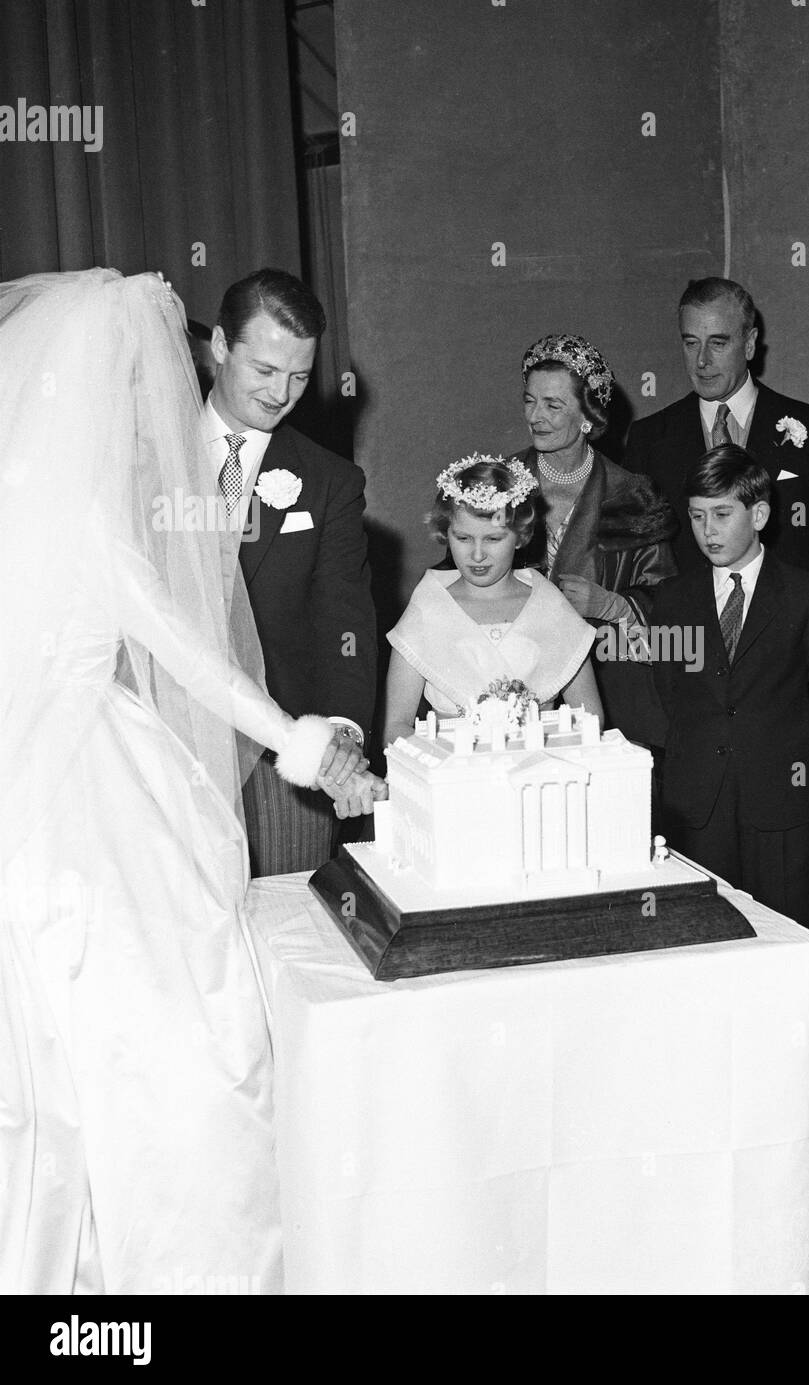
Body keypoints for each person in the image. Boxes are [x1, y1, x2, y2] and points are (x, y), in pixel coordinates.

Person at [0, 268, 385, 1294]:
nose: (153, 406)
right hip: (92, 784)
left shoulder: (27, 497)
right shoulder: (89, 516)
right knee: (175, 1042)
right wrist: (298, 743)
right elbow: (188, 651)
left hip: (42, 773)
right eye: (141, 386)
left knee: (76, 1056)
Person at [203, 268, 378, 875]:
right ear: (222, 347)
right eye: (266, 371)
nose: (281, 395)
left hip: (286, 761)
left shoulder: (330, 480)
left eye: (300, 377)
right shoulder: (143, 456)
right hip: (161, 750)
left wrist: (342, 736)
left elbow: (344, 621)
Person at [650, 445, 809, 928]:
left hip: (782, 802)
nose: (708, 530)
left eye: (722, 514)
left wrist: (788, 754)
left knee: (783, 935)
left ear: (759, 513)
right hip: (697, 805)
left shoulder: (808, 595)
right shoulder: (673, 599)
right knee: (705, 938)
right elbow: (669, 692)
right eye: (697, 516)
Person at [624, 276, 809, 642]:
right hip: (688, 654)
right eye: (691, 343)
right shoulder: (648, 440)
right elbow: (637, 570)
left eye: (718, 343)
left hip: (785, 655)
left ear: (749, 344)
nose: (702, 361)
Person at [509, 333, 676, 744]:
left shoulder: (631, 493)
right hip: (512, 689)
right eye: (530, 400)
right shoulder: (502, 480)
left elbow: (670, 600)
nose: (535, 416)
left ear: (588, 415)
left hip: (611, 683)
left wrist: (611, 604)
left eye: (553, 404)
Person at [384, 454, 602, 743]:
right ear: (445, 533)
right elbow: (395, 728)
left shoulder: (550, 606)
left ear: (521, 535)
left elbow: (591, 721)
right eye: (463, 538)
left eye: (493, 539)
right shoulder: (428, 608)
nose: (476, 555)